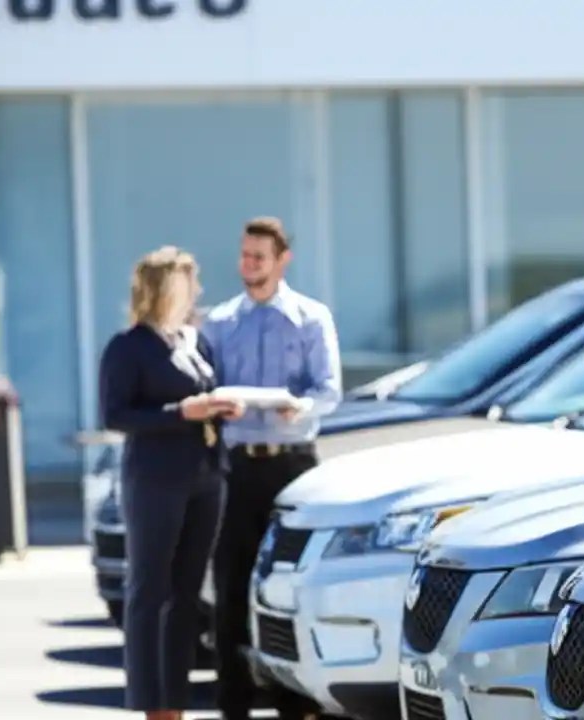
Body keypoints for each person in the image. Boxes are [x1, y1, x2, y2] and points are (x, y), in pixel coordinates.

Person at [201, 217, 342, 720]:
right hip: (238, 469)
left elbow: (329, 390)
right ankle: (233, 704)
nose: (249, 266)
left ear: (283, 260)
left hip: (292, 466)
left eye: (259, 257)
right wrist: (221, 407)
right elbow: (206, 390)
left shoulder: (310, 318)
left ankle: (295, 705)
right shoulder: (219, 322)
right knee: (232, 584)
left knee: (289, 584)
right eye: (244, 256)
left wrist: (300, 408)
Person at [99, 247, 244, 720]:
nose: (195, 292)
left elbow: (205, 394)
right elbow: (116, 415)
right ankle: (149, 705)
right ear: (161, 290)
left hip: (205, 475)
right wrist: (181, 412)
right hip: (156, 480)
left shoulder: (195, 342)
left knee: (186, 595)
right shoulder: (128, 346)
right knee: (149, 593)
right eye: (186, 283)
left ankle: (175, 705)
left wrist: (223, 407)